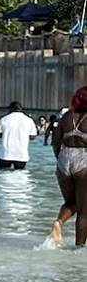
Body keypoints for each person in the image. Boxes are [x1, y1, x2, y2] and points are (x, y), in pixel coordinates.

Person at [50, 86, 87, 247]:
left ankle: (59, 222)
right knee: (84, 212)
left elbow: (55, 141)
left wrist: (60, 160)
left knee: (71, 202)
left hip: (64, 162)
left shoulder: (66, 116)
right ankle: (79, 248)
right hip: (84, 162)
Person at [0, 100, 37, 171]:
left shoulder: (4, 119)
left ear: (10, 109)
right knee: (20, 177)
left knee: (4, 176)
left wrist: (7, 135)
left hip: (6, 154)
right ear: (21, 109)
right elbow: (33, 136)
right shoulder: (29, 120)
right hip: (21, 154)